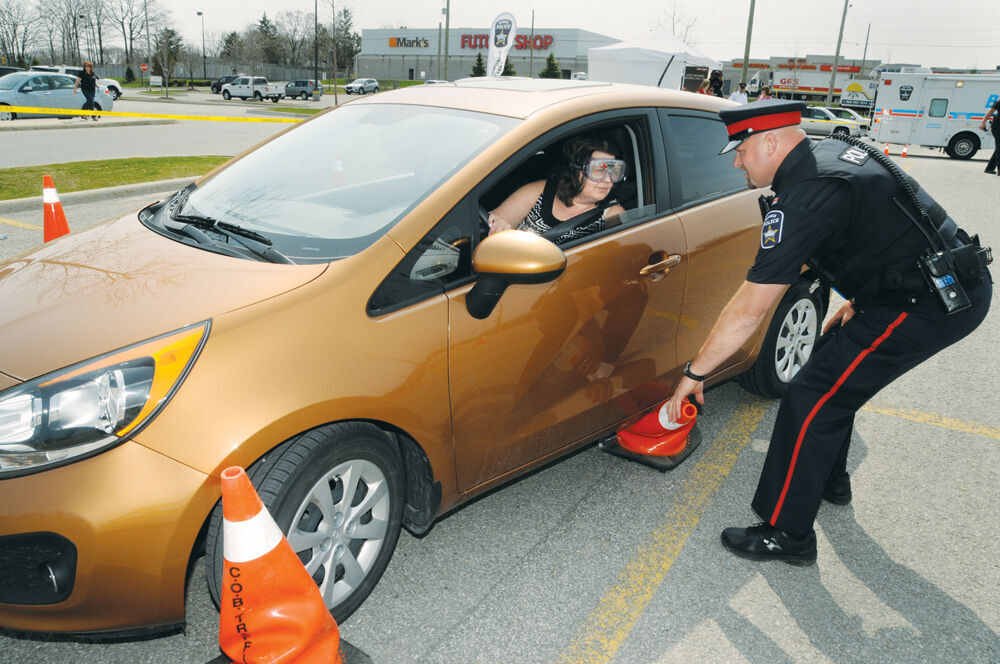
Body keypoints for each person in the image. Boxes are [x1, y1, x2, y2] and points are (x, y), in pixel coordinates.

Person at [665, 99, 992, 565]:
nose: (736, 161)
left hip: (930, 304)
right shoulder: (835, 155)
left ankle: (789, 535)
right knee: (829, 374)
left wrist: (694, 373)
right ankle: (830, 481)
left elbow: (749, 309)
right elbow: (897, 231)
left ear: (770, 142)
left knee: (810, 396)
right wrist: (859, 302)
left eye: (740, 150)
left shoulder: (806, 194)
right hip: (930, 285)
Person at [487, 136, 627, 244]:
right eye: (598, 171)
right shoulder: (540, 191)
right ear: (575, 171)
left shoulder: (612, 214)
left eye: (614, 172)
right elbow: (486, 224)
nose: (608, 180)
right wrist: (497, 226)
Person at [979, 94, 1000, 174]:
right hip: (997, 126)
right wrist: (983, 123)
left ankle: (989, 168)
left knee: (999, 147)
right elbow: (990, 111)